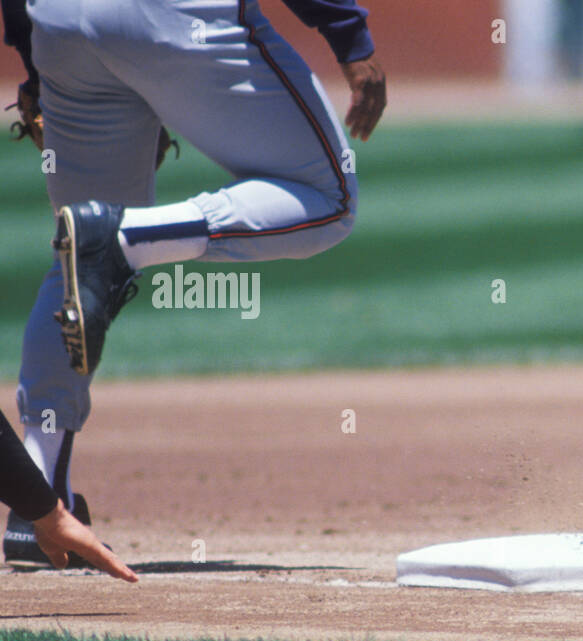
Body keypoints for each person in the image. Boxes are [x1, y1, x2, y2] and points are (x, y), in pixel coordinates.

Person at [2, 0, 387, 567]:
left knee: (73, 259)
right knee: (330, 195)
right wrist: (350, 38)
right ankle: (126, 237)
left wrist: (34, 56)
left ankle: (39, 509)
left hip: (56, 21)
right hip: (174, 16)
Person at [1, 408, 136, 581]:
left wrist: (39, 506)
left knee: (46, 388)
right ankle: (43, 516)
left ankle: (32, 518)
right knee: (55, 387)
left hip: (34, 504)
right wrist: (52, 517)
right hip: (44, 518)